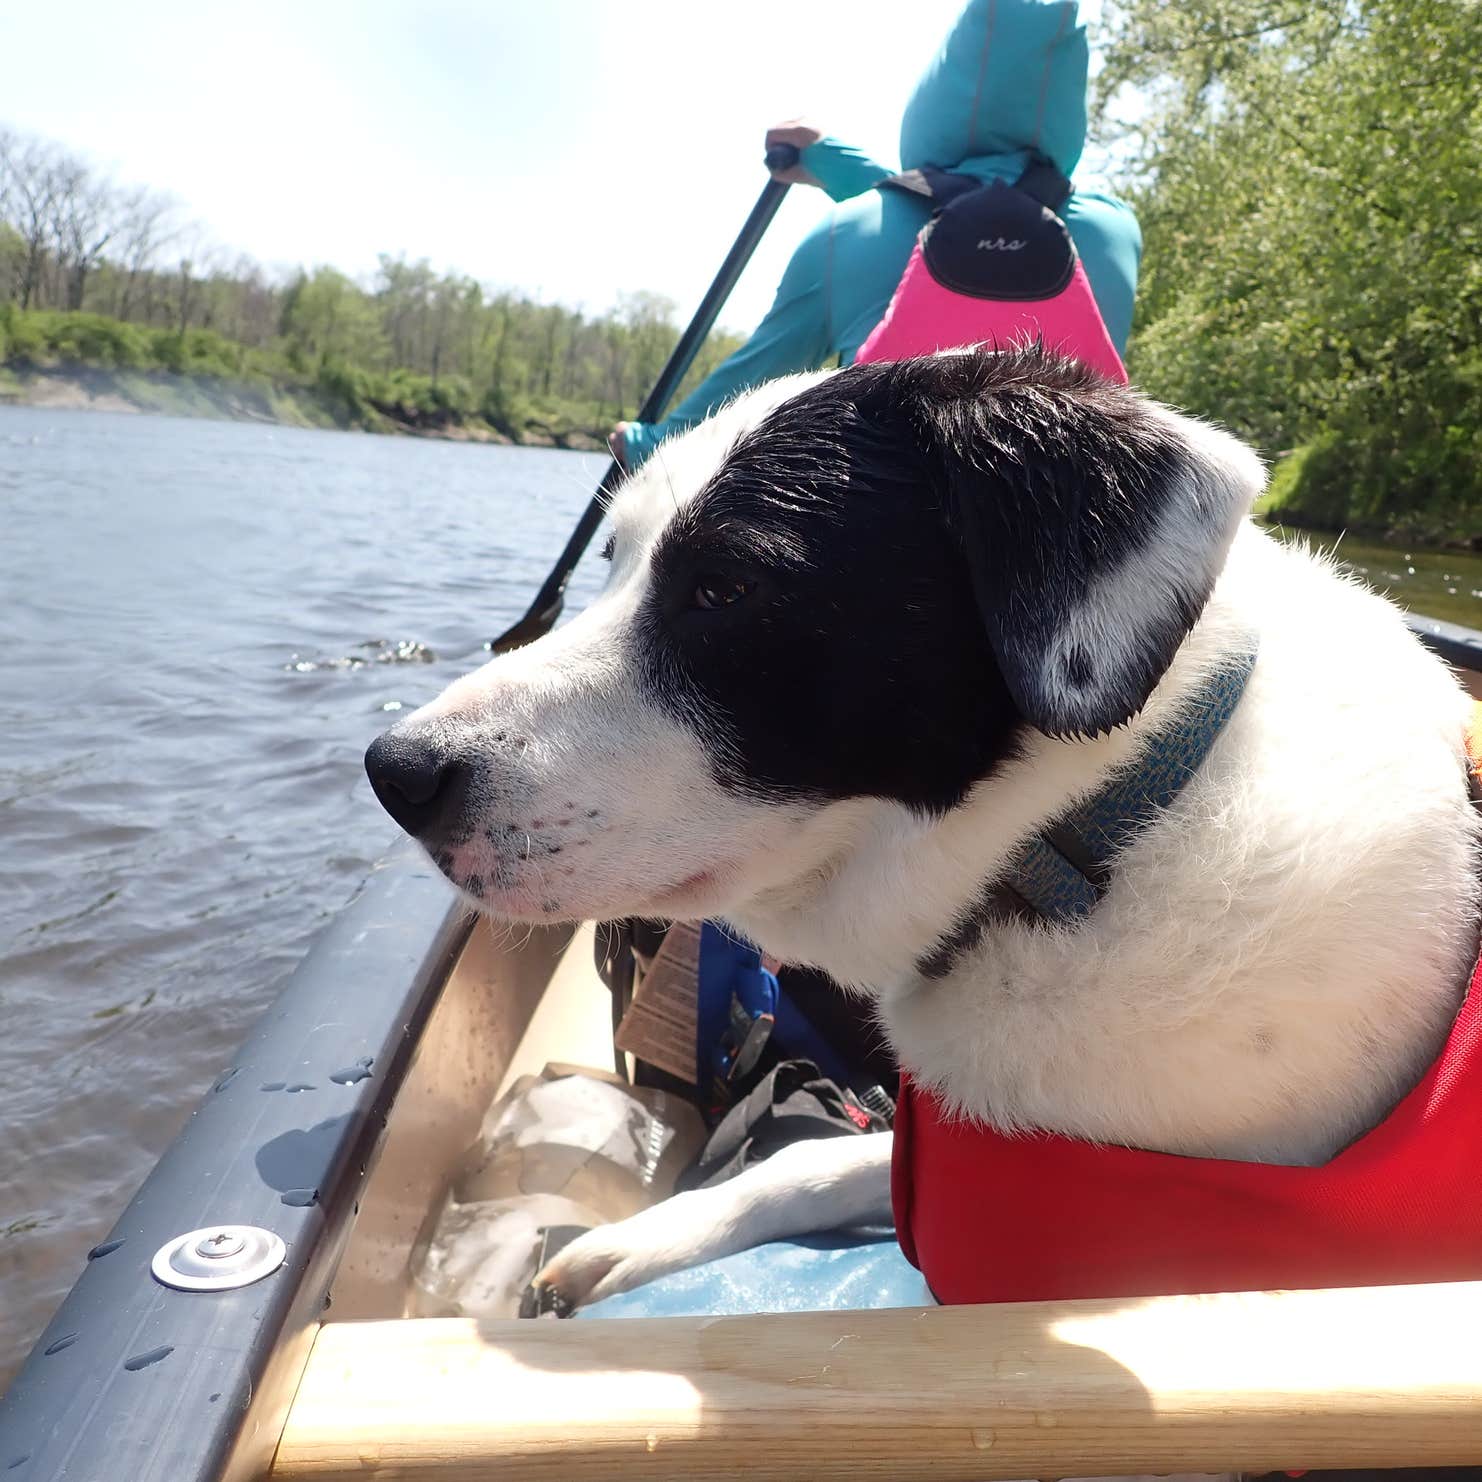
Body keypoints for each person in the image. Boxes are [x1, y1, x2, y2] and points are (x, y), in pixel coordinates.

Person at [611, 0, 1141, 471]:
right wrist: (840, 165)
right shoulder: (1114, 230)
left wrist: (651, 445)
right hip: (1075, 537)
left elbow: (751, 388)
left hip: (894, 539)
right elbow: (982, 216)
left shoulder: (845, 235)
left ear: (935, 100)